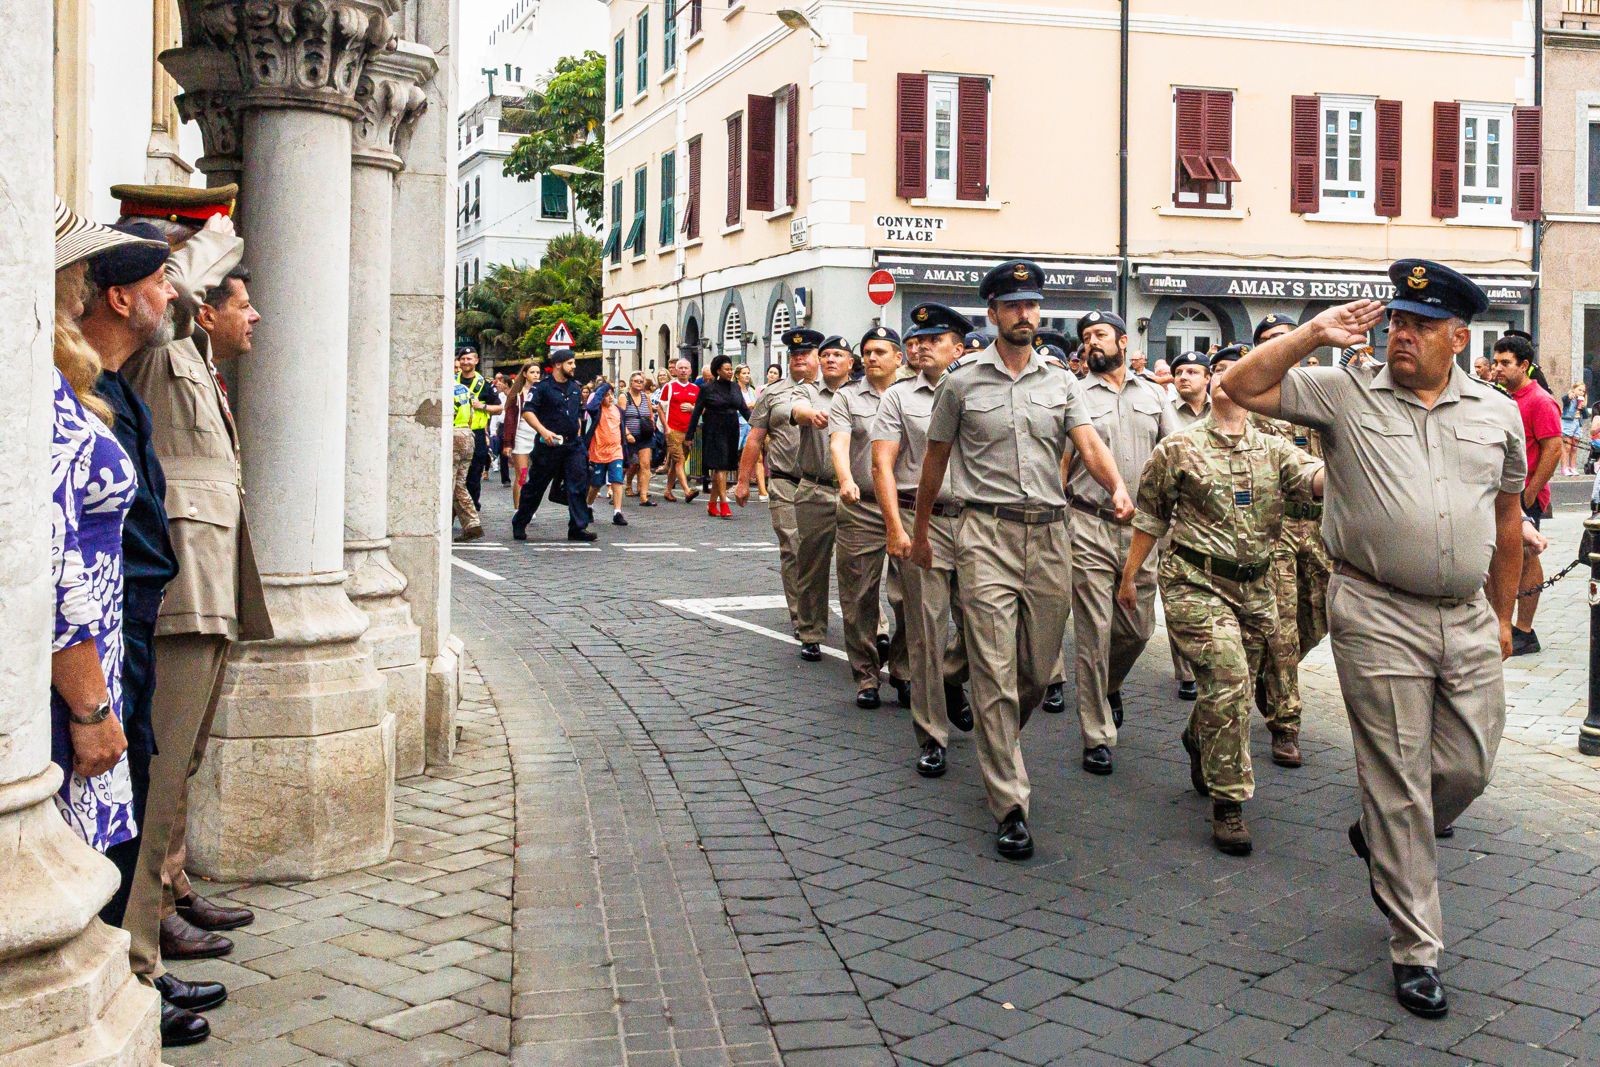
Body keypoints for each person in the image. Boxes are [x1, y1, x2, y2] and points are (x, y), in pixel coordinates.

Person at [1226, 260, 1525, 1020]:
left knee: (1468, 767)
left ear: (1458, 337)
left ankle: (1380, 831)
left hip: (1465, 614)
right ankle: (1416, 946)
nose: (1403, 334)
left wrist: (1502, 617)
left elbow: (1506, 519)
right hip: (1376, 607)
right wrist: (1312, 334)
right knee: (1397, 776)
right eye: (1398, 321)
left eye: (1422, 325)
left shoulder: (1498, 412)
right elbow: (1241, 386)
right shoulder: (1345, 391)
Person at [110, 183, 270, 1044]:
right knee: (159, 773)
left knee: (176, 771)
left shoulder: (190, 359)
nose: (256, 315)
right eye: (242, 301)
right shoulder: (159, 346)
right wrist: (204, 224)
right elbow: (177, 281)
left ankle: (158, 920)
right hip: (179, 591)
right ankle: (137, 964)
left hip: (205, 585)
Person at [909, 259, 1134, 860]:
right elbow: (935, 460)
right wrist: (923, 531)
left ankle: (976, 703)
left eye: (1031, 305)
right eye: (1012, 306)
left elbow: (1088, 442)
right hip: (985, 533)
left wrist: (1115, 485)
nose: (1024, 314)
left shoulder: (1061, 382)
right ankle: (1010, 804)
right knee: (995, 671)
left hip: (1052, 536)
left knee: (1035, 672)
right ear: (993, 313)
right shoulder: (961, 382)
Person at [1121, 346, 1323, 855]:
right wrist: (1130, 577)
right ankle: (1228, 802)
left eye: (1242, 373)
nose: (1229, 380)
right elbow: (1150, 517)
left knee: (1233, 686)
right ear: (1211, 385)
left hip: (1255, 589)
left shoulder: (1276, 451)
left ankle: (1200, 736)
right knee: (1229, 678)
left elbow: (1317, 480)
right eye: (1221, 372)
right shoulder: (1178, 448)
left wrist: (1355, 457)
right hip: (1195, 581)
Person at [49, 203, 159, 930]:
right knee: (74, 875)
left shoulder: (57, 373)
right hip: (71, 679)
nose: (85, 279)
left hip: (94, 662)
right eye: (79, 267)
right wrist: (90, 707)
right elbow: (55, 561)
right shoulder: (38, 387)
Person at [1064, 309, 1180, 776]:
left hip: (1142, 532)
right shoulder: (1073, 394)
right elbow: (1061, 461)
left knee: (1137, 629)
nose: (1092, 342)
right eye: (1086, 336)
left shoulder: (1154, 395)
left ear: (1123, 342)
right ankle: (1096, 734)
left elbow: (1177, 452)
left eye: (1100, 334)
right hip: (1088, 522)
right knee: (1093, 629)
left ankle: (1109, 684)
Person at [874, 303, 974, 778]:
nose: (922, 347)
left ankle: (953, 679)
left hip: (976, 523)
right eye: (918, 340)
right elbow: (882, 464)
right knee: (926, 633)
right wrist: (895, 526)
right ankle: (932, 736)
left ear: (958, 348)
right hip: (923, 521)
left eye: (935, 340)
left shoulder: (978, 389)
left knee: (982, 626)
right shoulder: (898, 397)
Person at [1246, 316, 1332, 770]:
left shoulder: (1324, 396)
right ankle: (1285, 724)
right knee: (1281, 627)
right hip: (1276, 528)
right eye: (1268, 342)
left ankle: (1270, 677)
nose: (1279, 348)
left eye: (1285, 340)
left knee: (1320, 617)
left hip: (1321, 529)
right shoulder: (1253, 403)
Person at [829, 326, 909, 708]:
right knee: (858, 596)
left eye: (881, 351)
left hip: (906, 507)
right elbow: (839, 442)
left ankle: (905, 670)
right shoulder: (847, 397)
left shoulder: (915, 393)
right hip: (861, 507)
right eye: (868, 352)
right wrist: (845, 479)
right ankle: (866, 675)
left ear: (899, 357)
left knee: (910, 595)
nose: (872, 358)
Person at [773, 336, 854, 662]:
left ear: (851, 362)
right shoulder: (807, 390)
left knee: (861, 566)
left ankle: (873, 630)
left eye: (839, 355)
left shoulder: (861, 393)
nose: (831, 359)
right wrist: (810, 415)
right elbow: (794, 409)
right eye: (827, 355)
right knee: (811, 565)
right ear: (820, 361)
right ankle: (810, 632)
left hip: (855, 491)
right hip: (815, 489)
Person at [736, 333, 819, 641]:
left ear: (818, 356)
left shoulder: (834, 391)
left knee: (828, 553)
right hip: (785, 481)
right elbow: (755, 438)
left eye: (806, 352)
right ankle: (802, 618)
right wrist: (743, 481)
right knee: (793, 548)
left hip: (823, 484)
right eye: (794, 353)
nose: (799, 357)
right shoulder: (773, 394)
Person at [1490, 333, 1560, 656]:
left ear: (1524, 365)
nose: (1498, 368)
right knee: (1501, 556)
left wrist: (1530, 495)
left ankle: (1525, 630)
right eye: (1496, 362)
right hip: (1505, 491)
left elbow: (1554, 449)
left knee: (1527, 555)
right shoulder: (1503, 397)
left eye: (1505, 363)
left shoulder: (1540, 400)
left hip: (1525, 494)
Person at [1164, 350, 1212, 701]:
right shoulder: (1164, 411)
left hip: (1212, 517)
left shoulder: (1223, 408)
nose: (1183, 377)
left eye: (1193, 371)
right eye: (1179, 371)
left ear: (1207, 378)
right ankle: (1186, 671)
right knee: (1177, 594)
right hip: (1174, 515)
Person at [511, 349, 596, 541]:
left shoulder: (575, 388)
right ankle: (520, 522)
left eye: (574, 363)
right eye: (570, 363)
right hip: (548, 446)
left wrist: (578, 434)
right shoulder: (541, 388)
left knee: (578, 485)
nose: (574, 366)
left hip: (572, 445)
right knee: (535, 486)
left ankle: (577, 528)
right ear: (558, 364)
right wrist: (543, 431)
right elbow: (528, 412)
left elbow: (578, 414)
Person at [685, 354, 751, 518]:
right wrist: (689, 435)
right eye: (726, 369)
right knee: (720, 467)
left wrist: (758, 426)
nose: (730, 372)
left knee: (724, 468)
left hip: (732, 429)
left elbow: (744, 409)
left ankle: (712, 504)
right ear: (718, 371)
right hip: (714, 430)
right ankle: (723, 503)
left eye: (731, 369)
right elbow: (696, 412)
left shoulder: (735, 387)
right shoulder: (707, 388)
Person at [455, 348, 501, 508]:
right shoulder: (451, 381)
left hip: (476, 434)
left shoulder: (485, 385)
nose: (465, 362)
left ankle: (472, 507)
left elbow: (499, 408)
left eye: (469, 359)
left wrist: (482, 406)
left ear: (476, 361)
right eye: (463, 359)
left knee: (474, 474)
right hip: (455, 432)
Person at [450, 352, 483, 541]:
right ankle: (472, 524)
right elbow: (471, 413)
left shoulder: (444, 389)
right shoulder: (464, 389)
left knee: (450, 483)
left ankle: (442, 523)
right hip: (467, 435)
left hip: (453, 435)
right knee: (459, 483)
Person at [584, 381, 628, 526]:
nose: (610, 397)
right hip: (598, 452)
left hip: (616, 451)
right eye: (606, 395)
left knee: (617, 480)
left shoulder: (618, 410)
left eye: (611, 394)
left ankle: (617, 512)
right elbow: (590, 406)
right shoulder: (596, 410)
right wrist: (603, 388)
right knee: (596, 484)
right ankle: (588, 506)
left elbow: (622, 429)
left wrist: (625, 447)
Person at [658, 358, 701, 503]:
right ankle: (687, 491)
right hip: (673, 430)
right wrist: (666, 427)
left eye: (686, 368)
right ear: (675, 371)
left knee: (674, 463)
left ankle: (668, 491)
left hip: (688, 431)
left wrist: (692, 408)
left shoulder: (695, 389)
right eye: (680, 368)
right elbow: (660, 408)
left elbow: (702, 409)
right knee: (679, 460)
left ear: (690, 371)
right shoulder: (669, 387)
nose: (683, 370)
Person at [621, 372, 658, 506]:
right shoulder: (624, 397)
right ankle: (616, 491)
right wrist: (627, 434)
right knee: (626, 466)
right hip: (629, 437)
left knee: (645, 465)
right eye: (636, 381)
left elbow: (650, 415)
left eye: (641, 381)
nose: (639, 383)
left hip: (645, 436)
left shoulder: (645, 397)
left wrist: (652, 426)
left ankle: (643, 496)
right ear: (631, 382)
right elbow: (620, 418)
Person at [1561, 382, 1587, 476]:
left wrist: (1583, 408)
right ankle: (1564, 468)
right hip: (1568, 423)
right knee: (1567, 447)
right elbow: (1564, 399)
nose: (1581, 392)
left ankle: (1573, 467)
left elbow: (1585, 416)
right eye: (1579, 390)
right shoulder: (1569, 398)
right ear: (1574, 389)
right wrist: (1569, 396)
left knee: (1574, 448)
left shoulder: (1582, 401)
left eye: (1583, 391)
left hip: (1578, 424)